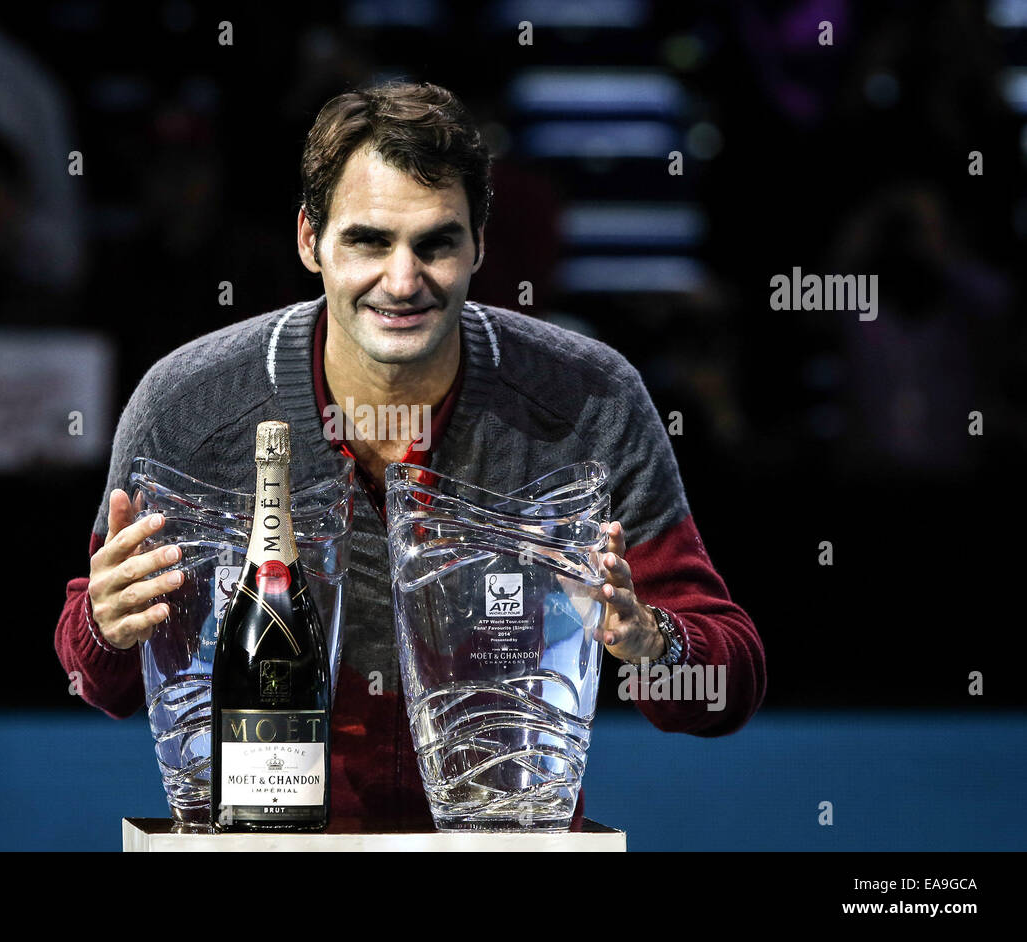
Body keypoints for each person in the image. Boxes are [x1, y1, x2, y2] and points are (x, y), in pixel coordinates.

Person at [55, 81, 766, 831]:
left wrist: (652, 640)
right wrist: (105, 627)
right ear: (309, 240)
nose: (402, 281)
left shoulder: (590, 401)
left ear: (479, 246)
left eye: (435, 243)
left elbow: (731, 686)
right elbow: (96, 680)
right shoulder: (188, 406)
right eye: (368, 241)